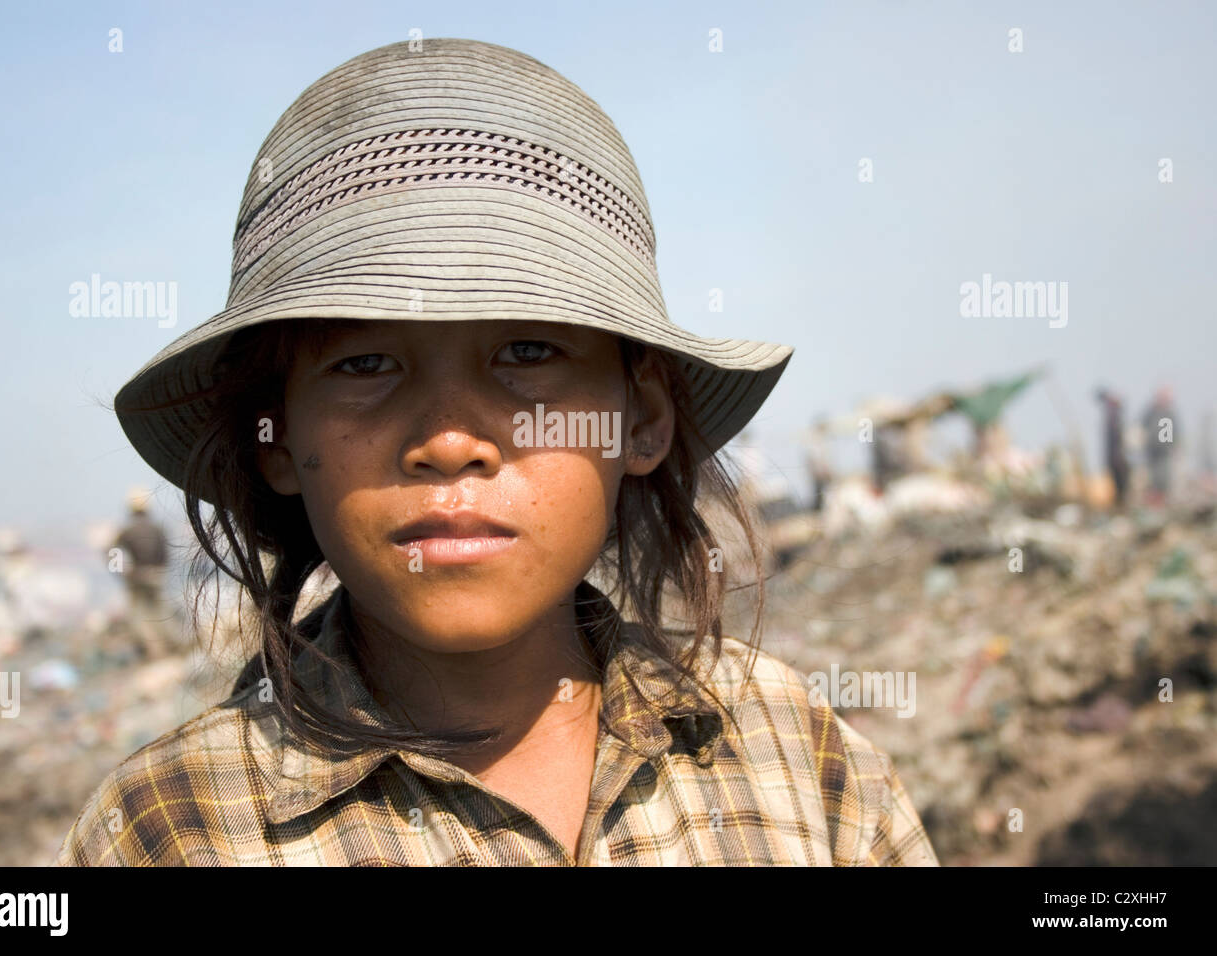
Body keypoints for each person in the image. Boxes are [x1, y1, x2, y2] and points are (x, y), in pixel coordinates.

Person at [54, 38, 937, 867]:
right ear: (276, 440)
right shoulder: (173, 830)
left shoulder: (799, 759)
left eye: (526, 354)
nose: (448, 443)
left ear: (641, 423)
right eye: (365, 363)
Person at [112, 487, 171, 657]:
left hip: (136, 577)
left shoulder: (127, 531)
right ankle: (167, 646)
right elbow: (165, 553)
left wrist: (120, 571)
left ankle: (152, 649)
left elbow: (111, 551)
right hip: (157, 576)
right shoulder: (157, 529)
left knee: (138, 614)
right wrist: (159, 570)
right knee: (160, 611)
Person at [1140, 386, 1179, 506]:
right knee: (1152, 478)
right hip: (1152, 450)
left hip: (1165, 451)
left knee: (1163, 477)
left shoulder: (1170, 413)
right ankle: (1152, 503)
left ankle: (1161, 502)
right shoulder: (1151, 411)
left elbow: (1175, 431)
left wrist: (1176, 446)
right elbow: (1141, 425)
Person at [1096, 388, 1130, 508]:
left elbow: (1118, 438)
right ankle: (1120, 505)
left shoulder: (1114, 415)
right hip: (1115, 457)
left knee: (1121, 486)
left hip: (1118, 458)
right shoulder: (1113, 414)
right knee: (1117, 486)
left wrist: (1118, 457)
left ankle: (1121, 505)